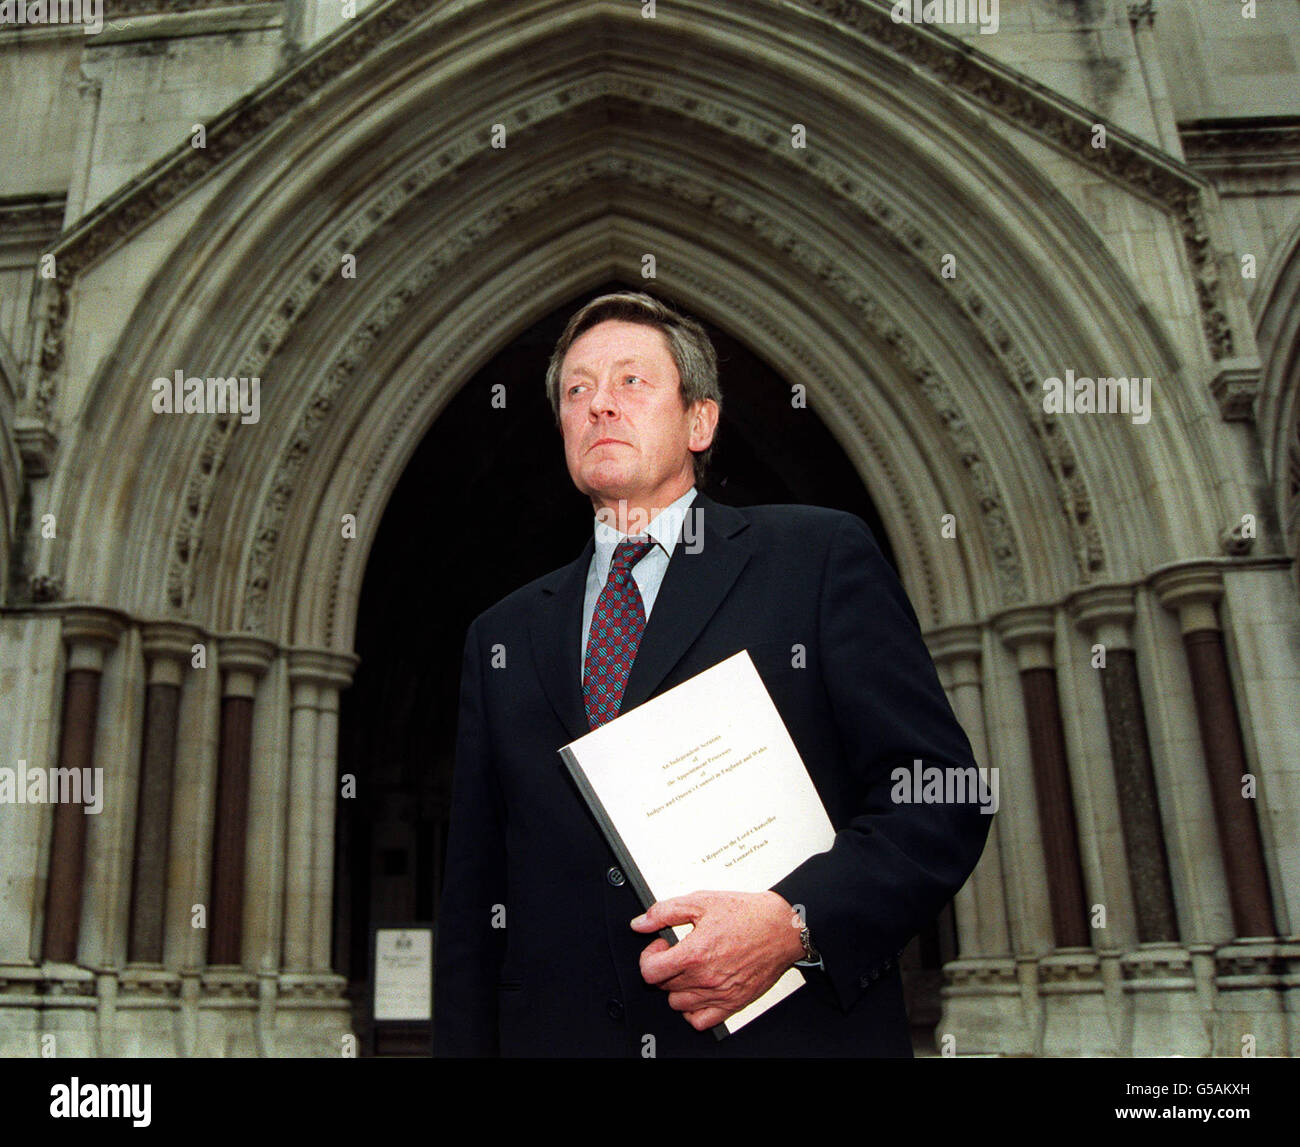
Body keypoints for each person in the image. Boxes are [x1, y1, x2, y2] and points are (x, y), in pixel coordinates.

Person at [432, 290, 991, 1057]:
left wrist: (798, 921)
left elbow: (939, 795)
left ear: (700, 421)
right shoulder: (502, 634)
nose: (600, 406)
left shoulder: (816, 560)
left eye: (632, 381)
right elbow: (472, 900)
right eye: (576, 390)